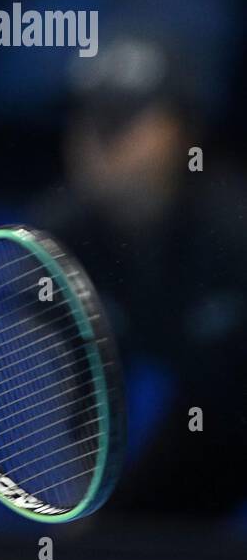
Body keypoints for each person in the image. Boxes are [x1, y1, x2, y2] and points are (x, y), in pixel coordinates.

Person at [31, 36, 247, 523]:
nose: (100, 141)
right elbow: (83, 405)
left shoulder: (235, 230)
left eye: (125, 121)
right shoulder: (56, 239)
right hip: (209, 418)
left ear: (187, 133)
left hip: (229, 401)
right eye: (90, 119)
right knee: (121, 537)